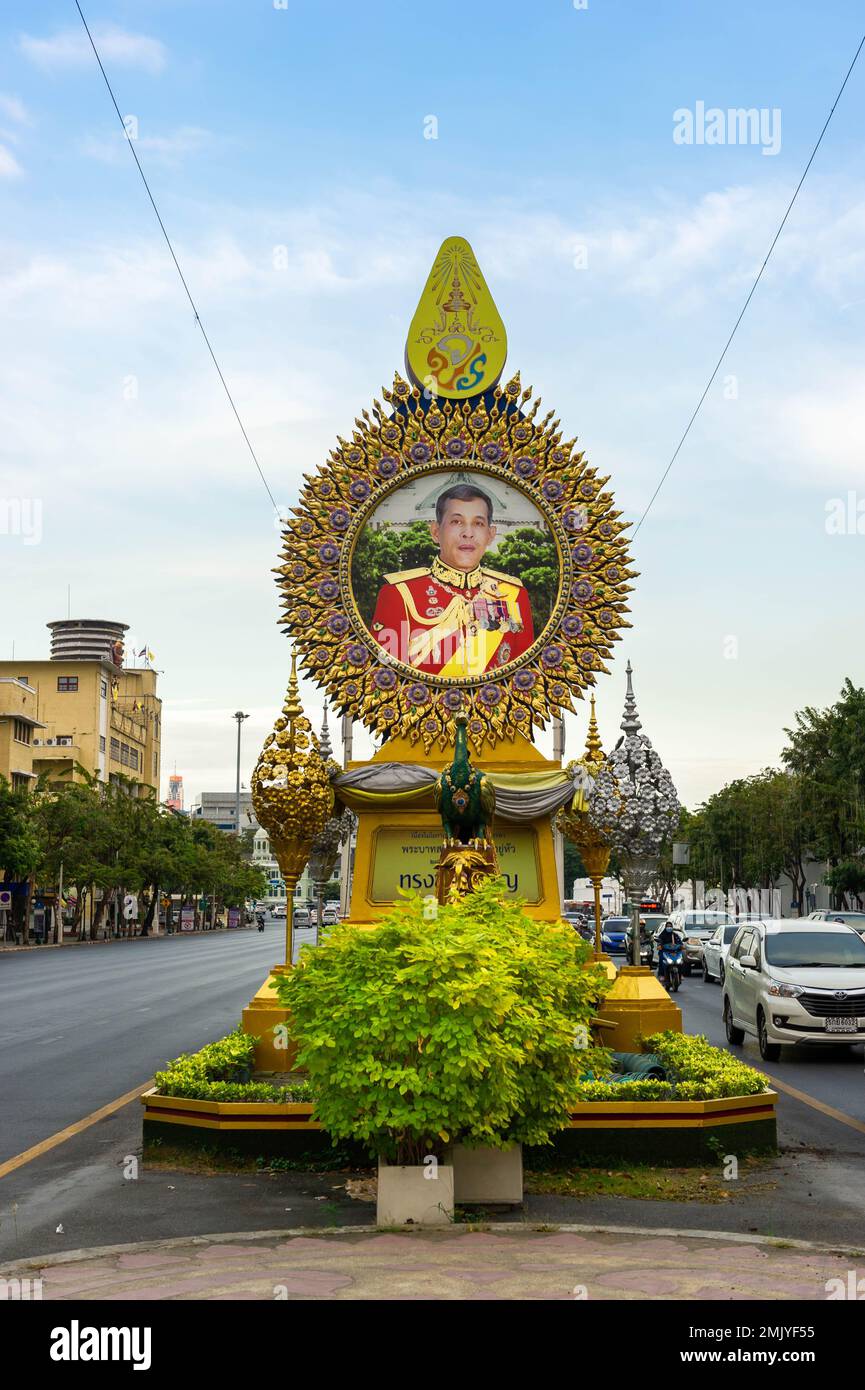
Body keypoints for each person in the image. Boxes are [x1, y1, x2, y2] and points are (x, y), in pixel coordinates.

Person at [369, 483, 535, 678]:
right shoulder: (400, 593)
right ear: (436, 532)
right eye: (457, 522)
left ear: (491, 535)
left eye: (478, 523)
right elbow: (383, 680)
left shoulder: (513, 594)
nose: (468, 533)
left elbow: (524, 680)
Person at [656, 919, 683, 984]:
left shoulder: (675, 935)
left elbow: (680, 942)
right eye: (668, 926)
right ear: (665, 927)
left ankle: (680, 974)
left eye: (670, 926)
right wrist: (660, 946)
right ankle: (662, 975)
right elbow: (659, 942)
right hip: (665, 952)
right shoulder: (662, 935)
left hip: (674, 952)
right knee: (661, 961)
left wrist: (681, 946)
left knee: (681, 962)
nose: (669, 928)